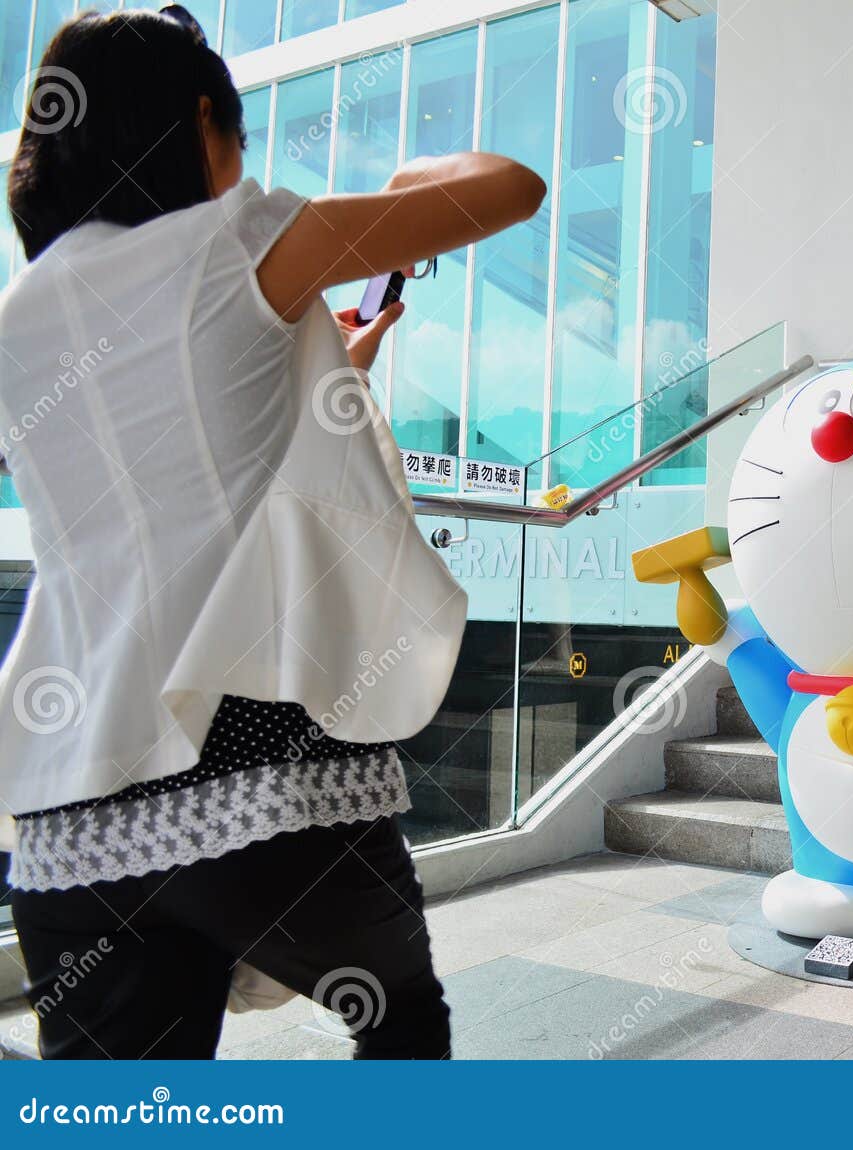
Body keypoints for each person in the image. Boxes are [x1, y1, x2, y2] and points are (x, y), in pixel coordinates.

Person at [0, 8, 546, 1058]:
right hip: (249, 769)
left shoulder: (23, 314)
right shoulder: (238, 239)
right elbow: (510, 188)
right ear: (203, 120)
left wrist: (324, 371)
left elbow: (163, 462)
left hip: (66, 797)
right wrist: (410, 177)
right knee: (400, 1031)